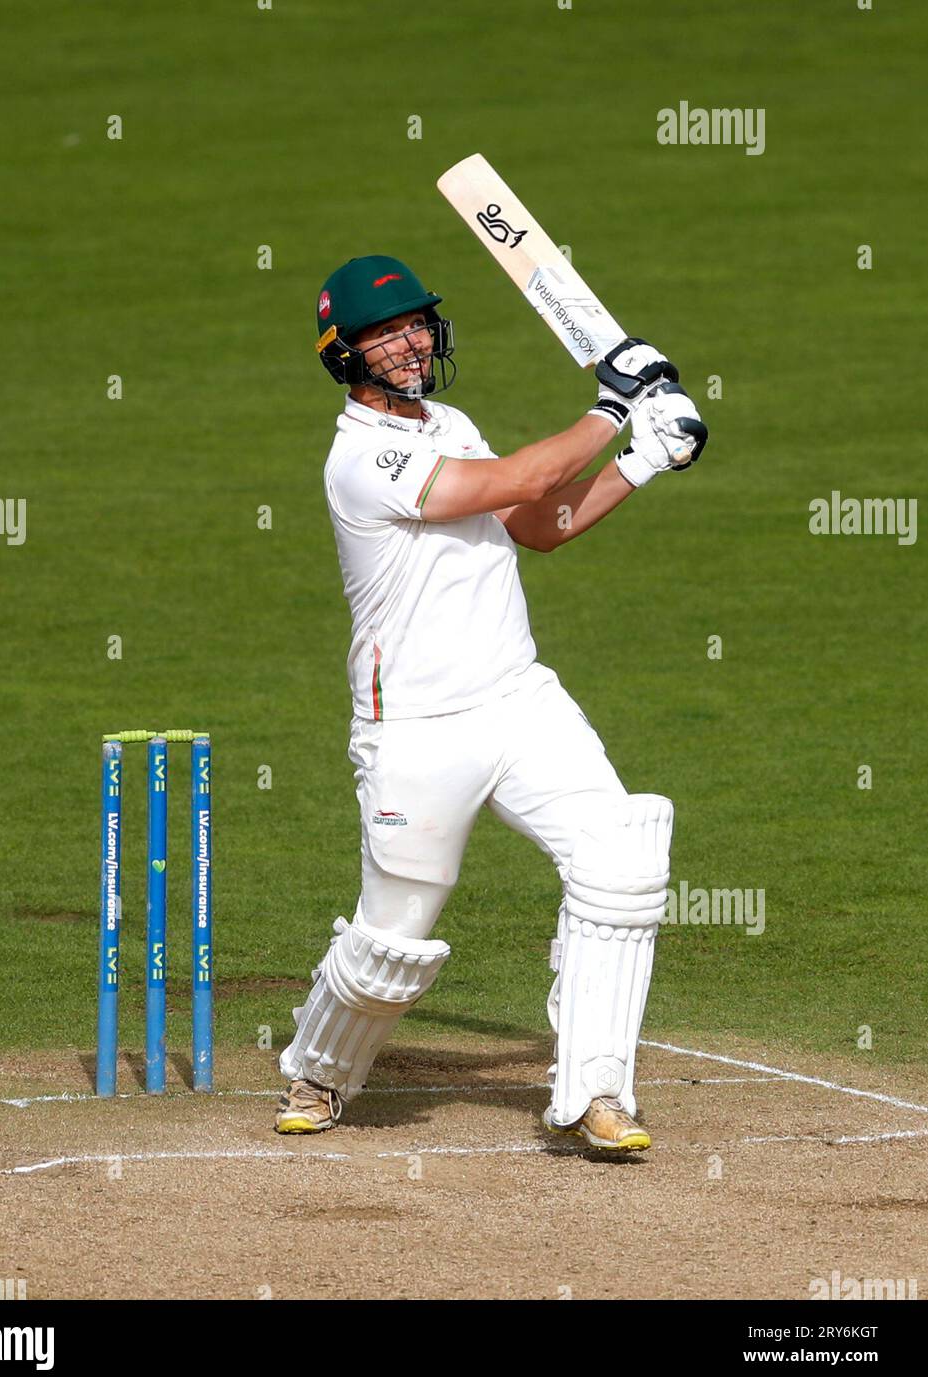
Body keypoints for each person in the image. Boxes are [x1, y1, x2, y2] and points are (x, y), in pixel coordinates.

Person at [274, 254, 708, 1150]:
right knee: (394, 937)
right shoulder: (360, 459)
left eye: (415, 324)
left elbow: (539, 523)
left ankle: (596, 1093)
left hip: (517, 699)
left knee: (619, 862)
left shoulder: (450, 424)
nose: (408, 343)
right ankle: (319, 1071)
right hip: (416, 729)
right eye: (384, 333)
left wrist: (642, 460)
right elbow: (513, 482)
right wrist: (615, 404)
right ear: (343, 352)